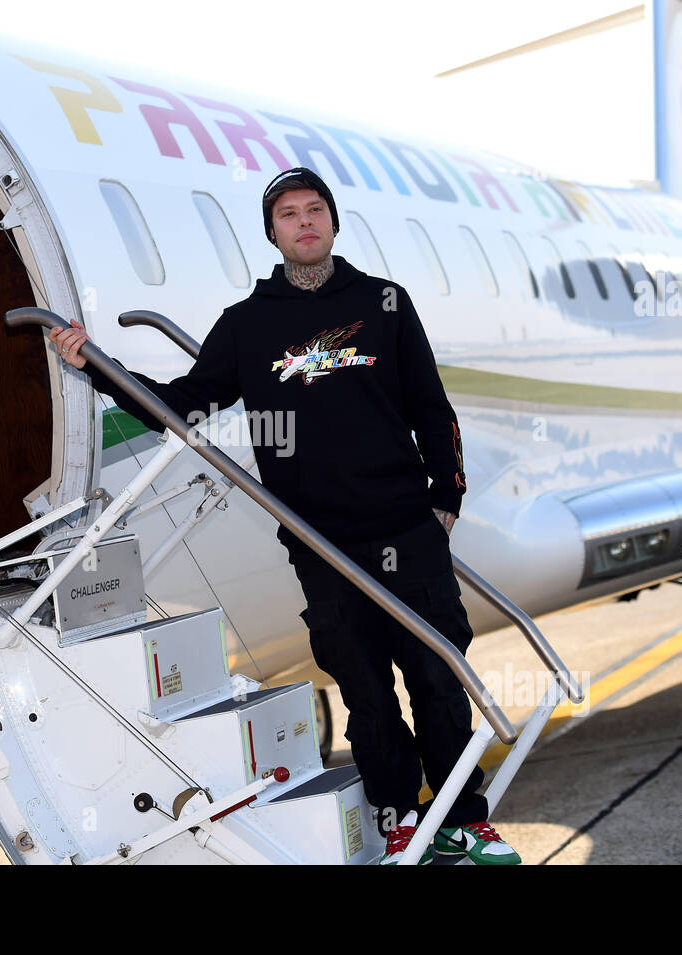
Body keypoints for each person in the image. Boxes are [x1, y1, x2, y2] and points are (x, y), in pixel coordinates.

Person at [49, 167, 519, 866]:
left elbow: (432, 407)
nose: (305, 222)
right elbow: (184, 405)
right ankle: (398, 825)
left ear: (332, 222)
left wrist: (445, 500)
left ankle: (461, 820)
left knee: (437, 679)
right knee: (365, 691)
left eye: (315, 210)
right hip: (318, 541)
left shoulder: (384, 303)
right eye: (289, 214)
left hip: (406, 530)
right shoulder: (249, 325)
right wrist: (93, 364)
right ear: (272, 233)